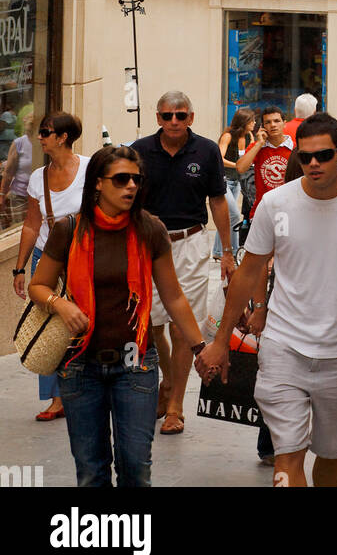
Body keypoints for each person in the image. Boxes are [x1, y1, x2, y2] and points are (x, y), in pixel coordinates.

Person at [196, 114, 337, 488]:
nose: (313, 164)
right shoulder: (275, 204)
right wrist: (221, 340)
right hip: (283, 349)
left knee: (332, 455)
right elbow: (248, 272)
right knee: (287, 454)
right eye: (305, 157)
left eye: (323, 155)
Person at [28, 145, 205, 487]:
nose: (131, 187)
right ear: (97, 183)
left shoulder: (150, 229)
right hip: (79, 366)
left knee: (136, 469)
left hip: (135, 365)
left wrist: (201, 349)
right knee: (91, 471)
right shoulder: (70, 229)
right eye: (121, 179)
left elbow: (174, 296)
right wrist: (61, 304)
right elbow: (39, 286)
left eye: (136, 180)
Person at [132, 90, 234, 436]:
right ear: (157, 118)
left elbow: (218, 202)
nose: (173, 121)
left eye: (180, 115)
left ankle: (176, 404)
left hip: (191, 243)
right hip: (148, 245)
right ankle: (167, 382)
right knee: (152, 324)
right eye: (166, 115)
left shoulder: (206, 150)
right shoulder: (140, 151)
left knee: (180, 327)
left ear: (191, 117)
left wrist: (228, 252)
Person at [12, 112, 89, 420]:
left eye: (46, 132)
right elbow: (31, 226)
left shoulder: (89, 169)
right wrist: (19, 269)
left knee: (79, 324)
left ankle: (82, 389)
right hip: (46, 258)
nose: (40, 137)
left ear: (63, 137)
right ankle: (55, 398)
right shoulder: (37, 178)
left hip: (81, 258)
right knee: (47, 325)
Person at [235, 105, 294, 219]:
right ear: (262, 126)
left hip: (290, 211)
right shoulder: (256, 147)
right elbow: (240, 168)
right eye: (268, 122)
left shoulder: (295, 147)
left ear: (284, 123)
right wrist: (259, 144)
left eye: (277, 121)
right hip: (262, 211)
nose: (273, 125)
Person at [214, 109, 256, 259]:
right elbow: (219, 158)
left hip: (237, 182)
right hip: (223, 180)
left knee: (226, 216)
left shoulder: (249, 136)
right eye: (252, 121)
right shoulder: (227, 136)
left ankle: (218, 252)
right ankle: (235, 251)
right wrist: (238, 165)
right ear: (244, 122)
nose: (254, 123)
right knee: (234, 215)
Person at [0, 109, 35, 228]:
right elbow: (8, 172)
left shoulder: (44, 143)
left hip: (39, 196)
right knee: (20, 229)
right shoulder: (19, 143)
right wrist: (2, 195)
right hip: (20, 195)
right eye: (30, 125)